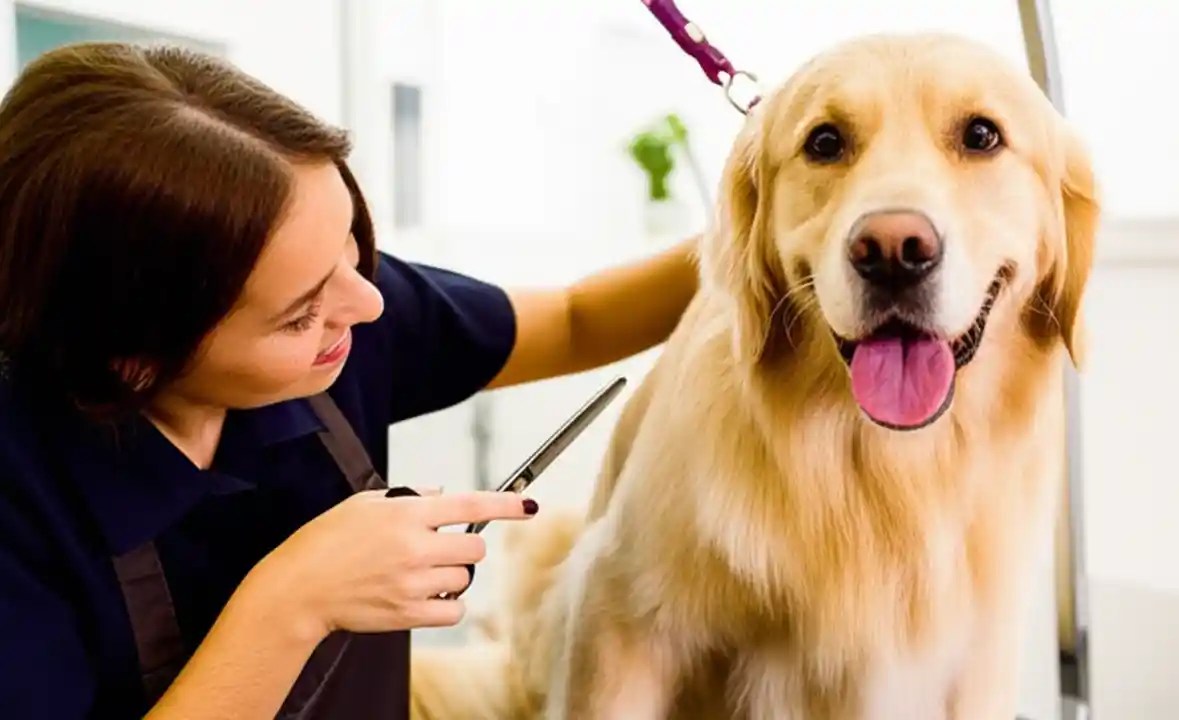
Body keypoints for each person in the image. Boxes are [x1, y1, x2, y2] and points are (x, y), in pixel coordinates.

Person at [0, 42, 699, 719]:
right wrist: (295, 601)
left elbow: (576, 321)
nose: (370, 307)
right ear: (135, 358)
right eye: (300, 316)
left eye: (354, 247)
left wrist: (771, 213)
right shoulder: (22, 494)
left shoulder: (346, 306)